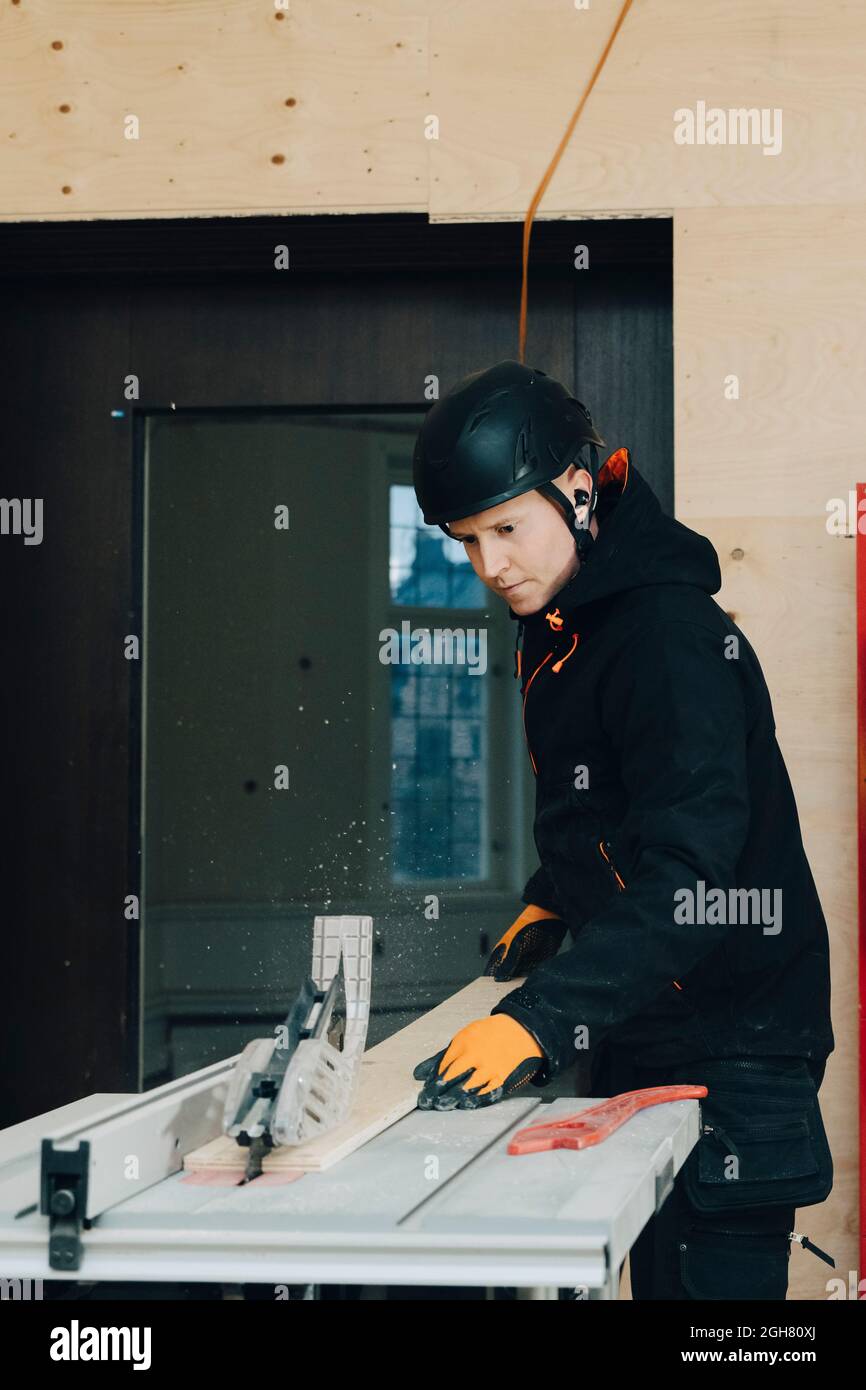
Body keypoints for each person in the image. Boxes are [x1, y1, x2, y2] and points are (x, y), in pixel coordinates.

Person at [411, 360, 834, 1300]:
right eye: (467, 542)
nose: (491, 567)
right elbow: (601, 802)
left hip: (736, 1037)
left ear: (577, 488)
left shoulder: (666, 638)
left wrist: (541, 1017)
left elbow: (694, 868)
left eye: (506, 530)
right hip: (652, 1017)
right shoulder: (564, 620)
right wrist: (552, 897)